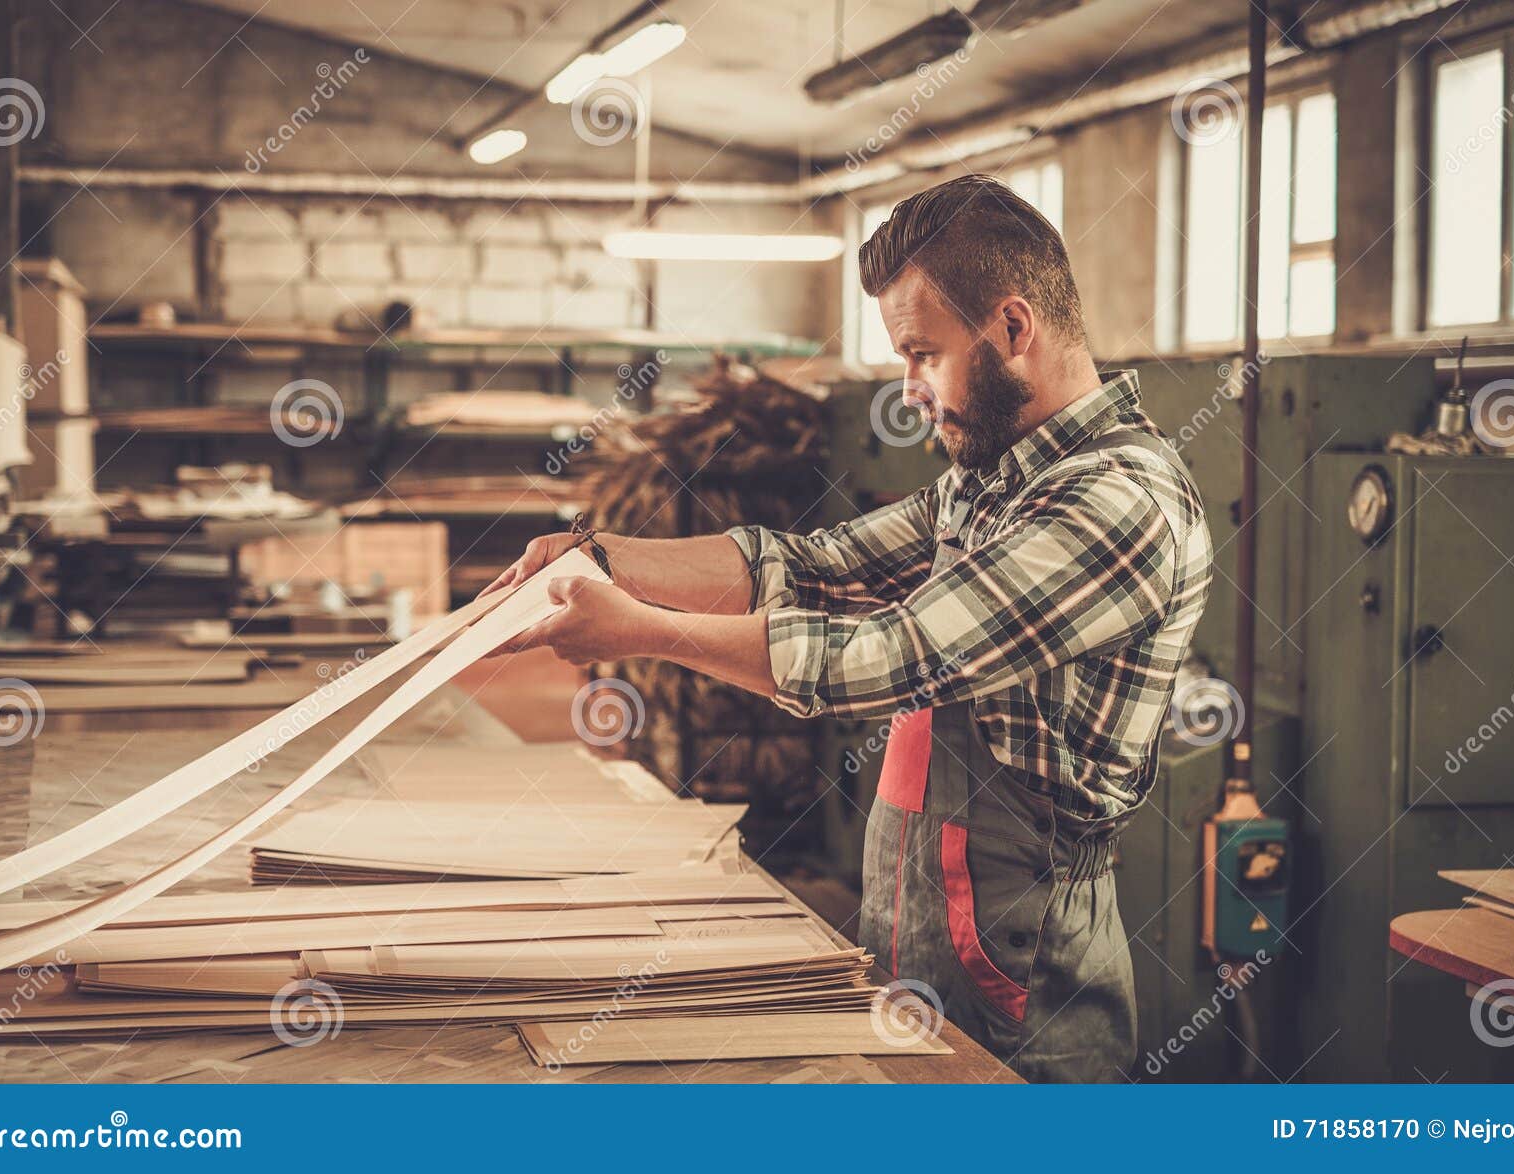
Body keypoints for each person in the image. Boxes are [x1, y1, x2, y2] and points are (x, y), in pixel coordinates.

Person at [487, 174, 1213, 1082]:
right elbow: (814, 562)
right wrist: (598, 558)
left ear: (1014, 329)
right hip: (925, 925)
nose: (908, 389)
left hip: (1026, 966)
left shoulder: (1118, 503)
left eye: (923, 353)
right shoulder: (993, 482)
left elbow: (888, 659)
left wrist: (640, 630)